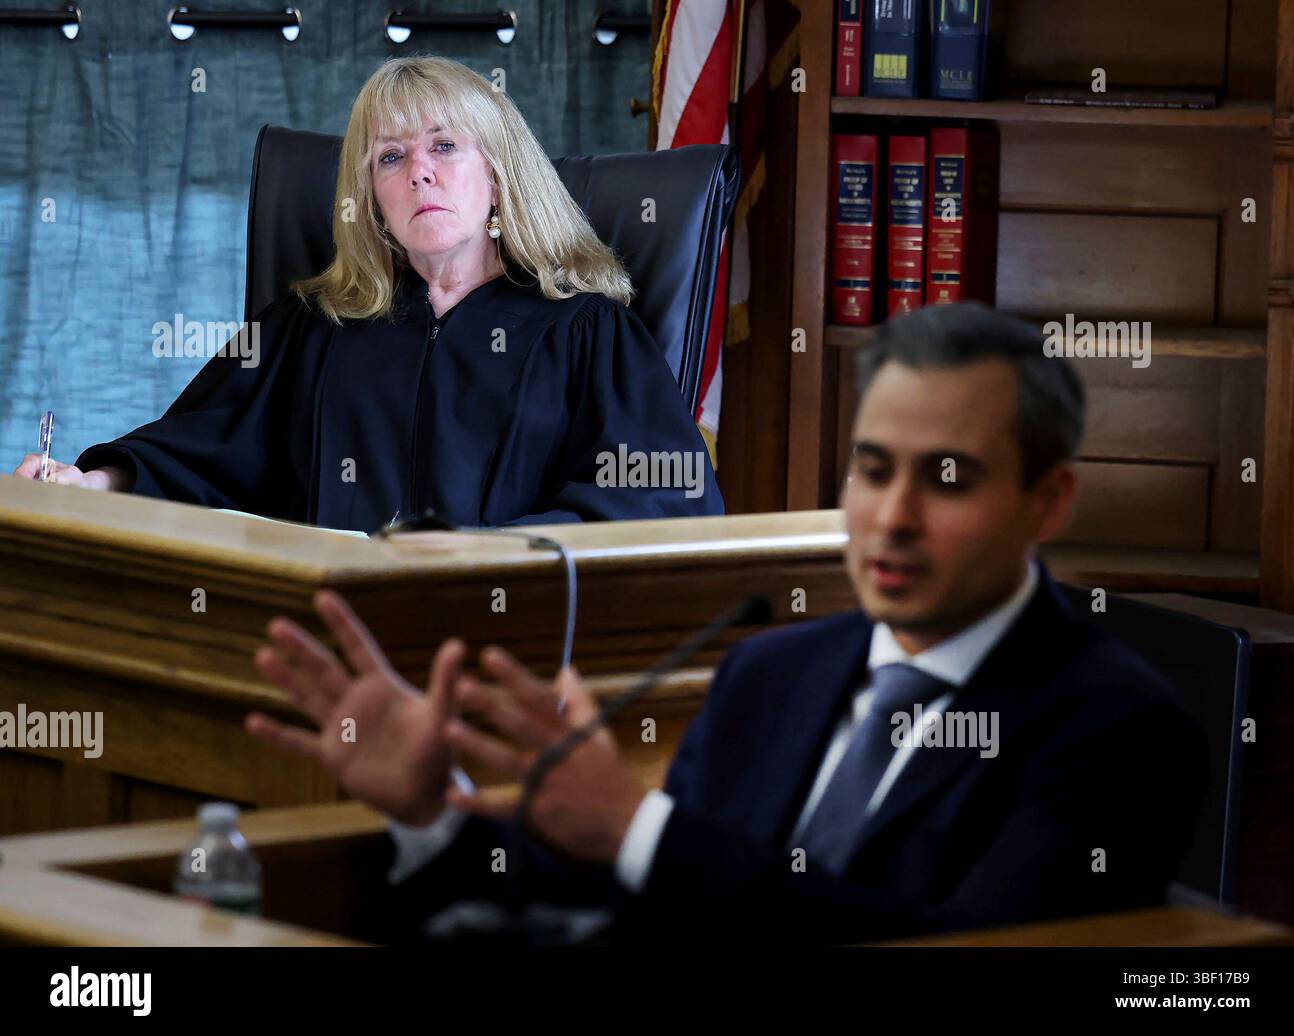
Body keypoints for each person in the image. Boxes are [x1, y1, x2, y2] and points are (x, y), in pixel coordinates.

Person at [245, 303, 1208, 942]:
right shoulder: (772, 673)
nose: (895, 516)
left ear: (1048, 502)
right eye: (873, 470)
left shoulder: (1117, 731)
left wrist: (636, 825)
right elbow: (615, 899)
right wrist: (428, 810)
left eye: (947, 478)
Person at [12, 56, 723, 532]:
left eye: (445, 146)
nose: (419, 172)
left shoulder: (587, 334)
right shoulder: (312, 330)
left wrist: (490, 559)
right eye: (391, 157)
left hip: (509, 658)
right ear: (372, 201)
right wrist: (92, 484)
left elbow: (655, 498)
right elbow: (202, 455)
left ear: (501, 176)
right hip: (327, 654)